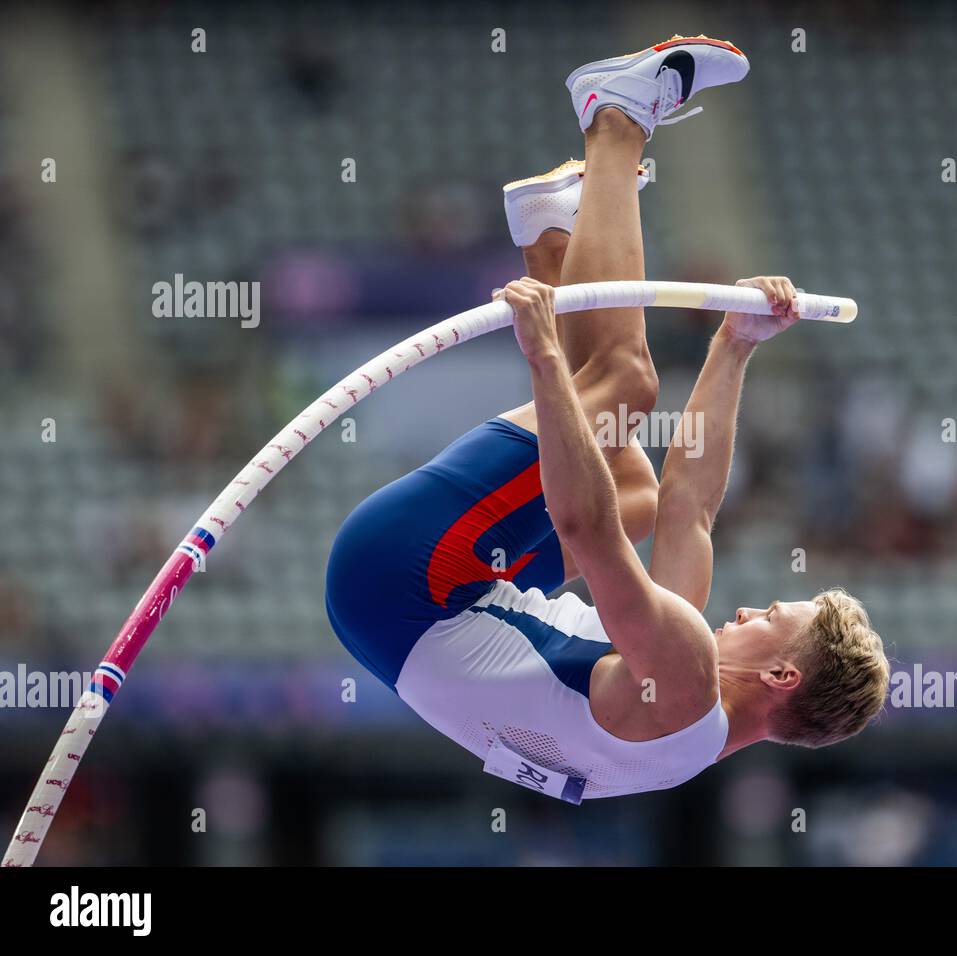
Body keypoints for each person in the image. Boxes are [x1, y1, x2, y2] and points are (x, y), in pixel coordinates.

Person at [325, 35, 889, 802]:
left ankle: (617, 115)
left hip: (402, 580)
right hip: (396, 619)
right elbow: (689, 509)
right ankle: (552, 230)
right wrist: (734, 345)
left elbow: (583, 529)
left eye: (771, 615)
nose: (751, 607)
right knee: (639, 492)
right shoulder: (686, 722)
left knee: (622, 386)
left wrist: (546, 362)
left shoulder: (685, 674)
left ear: (781, 674)